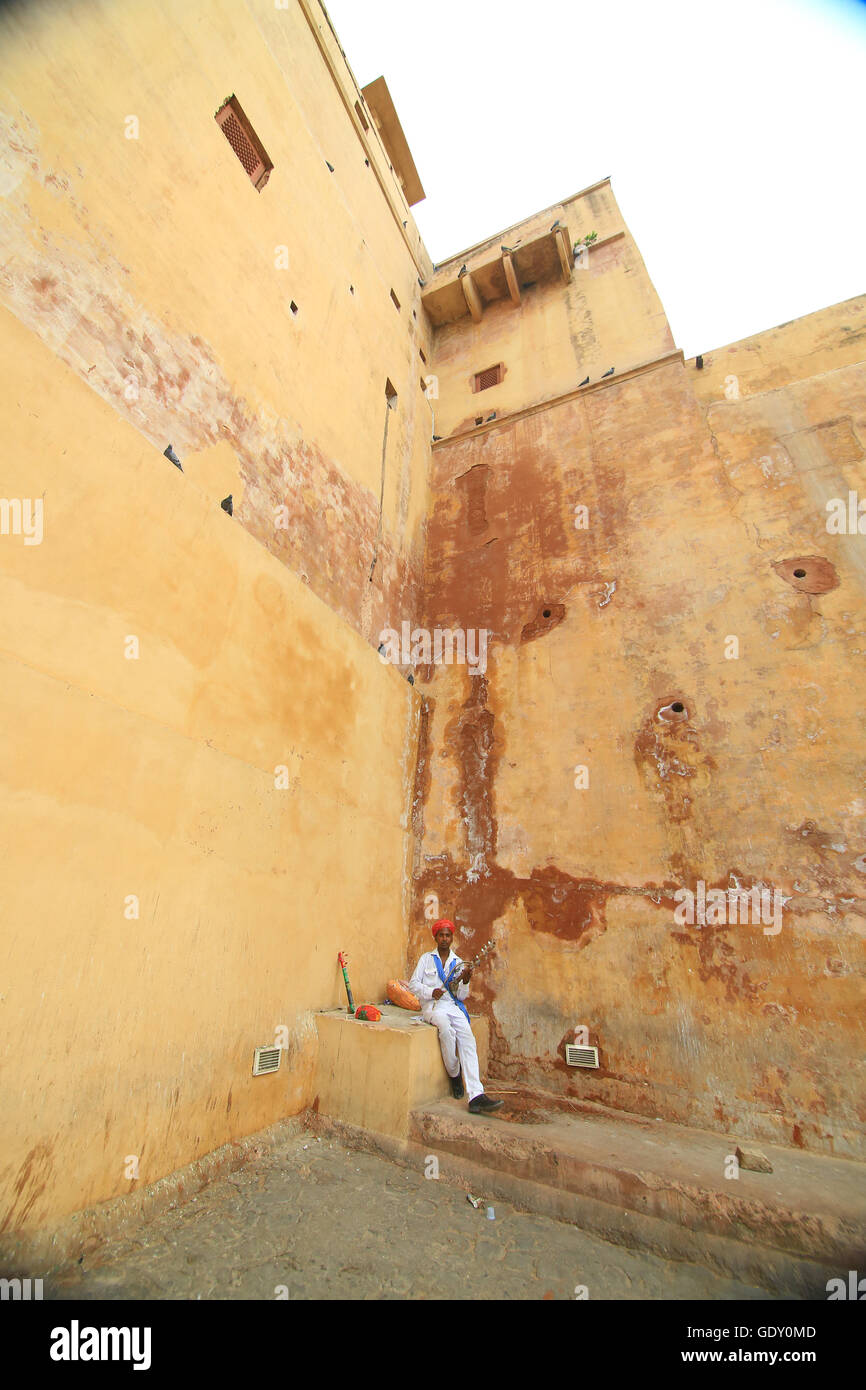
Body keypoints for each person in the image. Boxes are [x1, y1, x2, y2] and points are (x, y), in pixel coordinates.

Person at [408, 918, 502, 1115]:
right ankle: (454, 1073)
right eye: (441, 935)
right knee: (446, 1032)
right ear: (435, 937)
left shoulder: (458, 962)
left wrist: (466, 981)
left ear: (452, 938)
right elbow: (413, 985)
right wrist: (429, 991)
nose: (444, 938)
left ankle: (476, 1096)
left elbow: (461, 995)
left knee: (467, 1038)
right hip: (433, 1006)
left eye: (447, 935)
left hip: (451, 1006)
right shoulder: (426, 959)